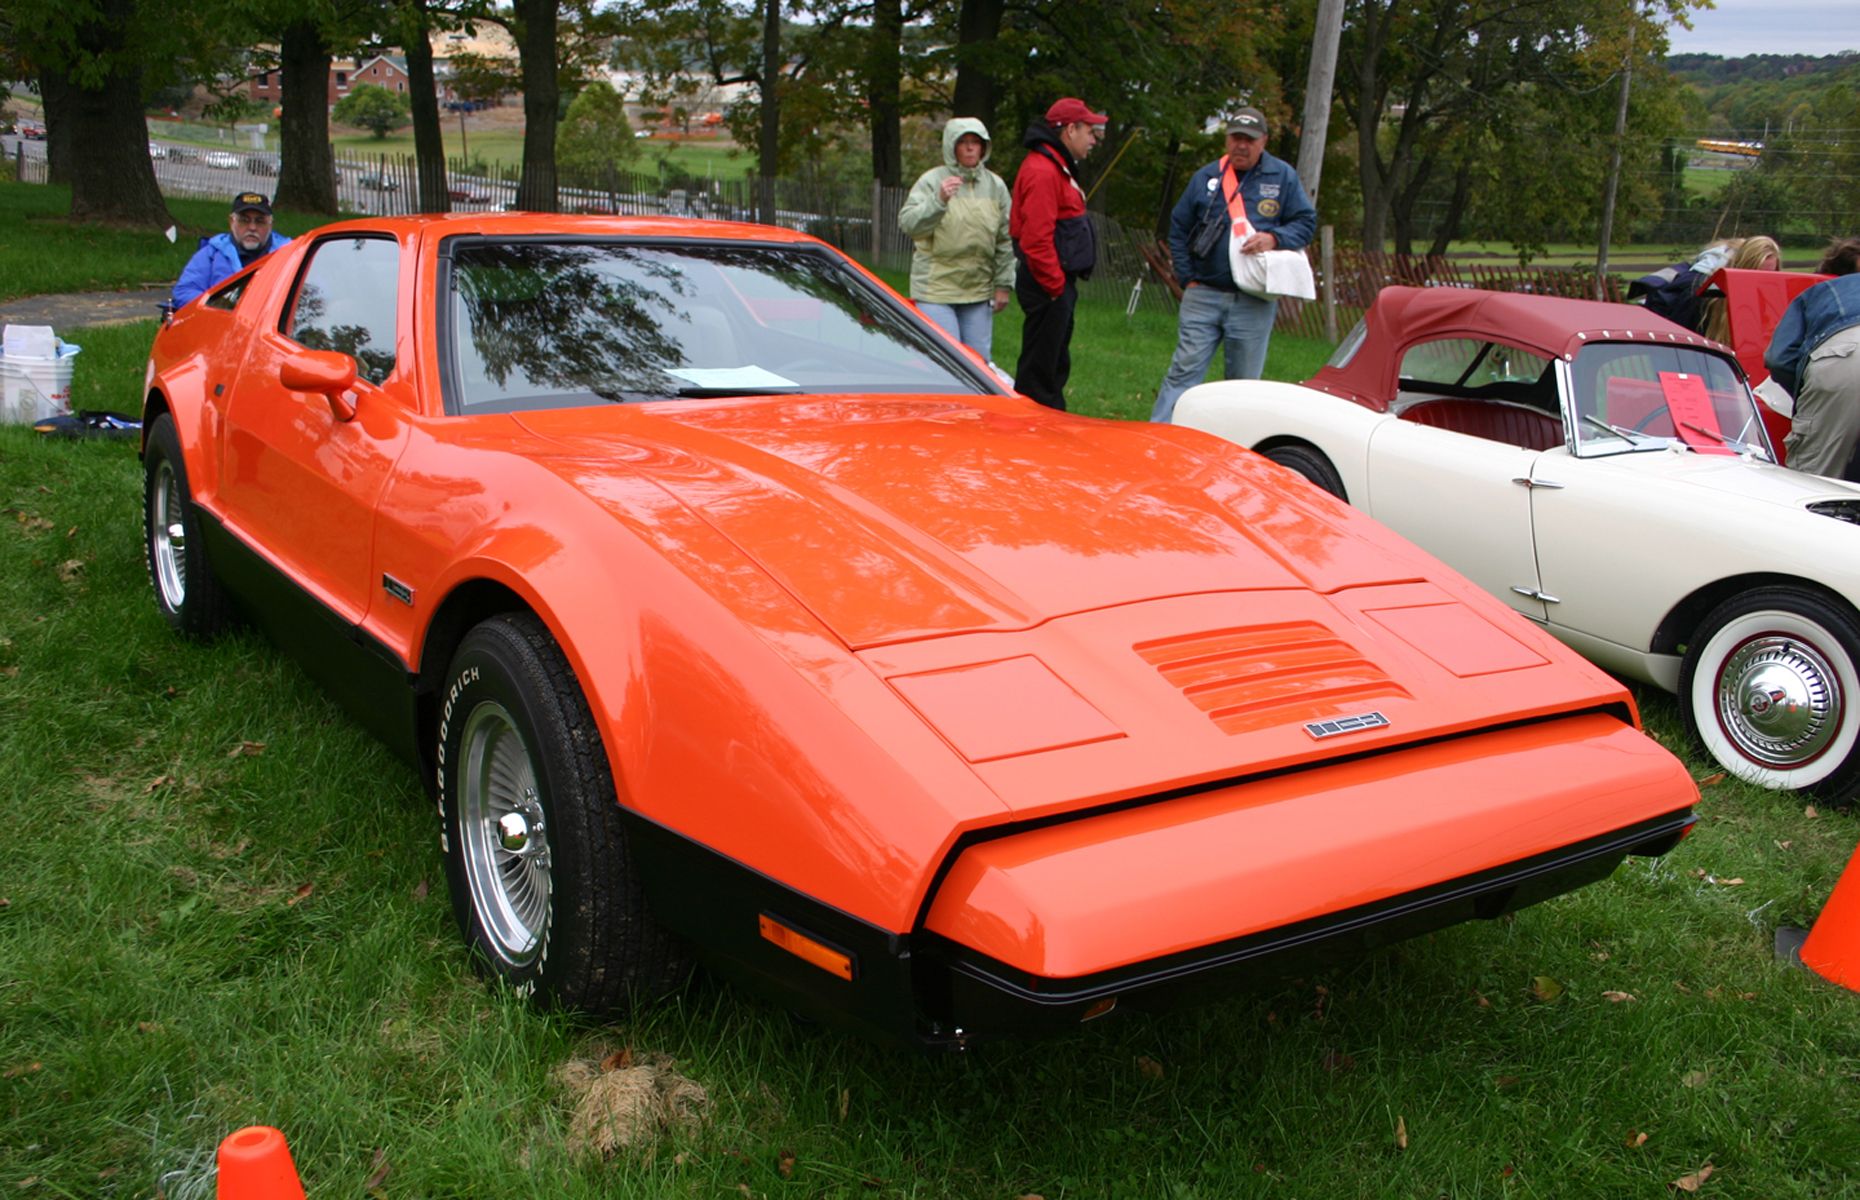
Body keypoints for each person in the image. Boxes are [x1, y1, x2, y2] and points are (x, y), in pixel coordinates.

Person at [1149, 108, 1316, 424]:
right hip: (1203, 293)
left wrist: (1274, 238)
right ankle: (1160, 439)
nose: (1241, 145)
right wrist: (1187, 278)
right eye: (1236, 138)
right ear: (1227, 139)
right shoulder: (1206, 177)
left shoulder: (1282, 177)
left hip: (1253, 300)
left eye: (1249, 140)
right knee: (1183, 372)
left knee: (1242, 386)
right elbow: (1179, 226)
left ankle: (1232, 450)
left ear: (1263, 141)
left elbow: (1306, 223)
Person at [1009, 97, 1107, 410]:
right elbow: (1036, 238)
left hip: (1056, 281)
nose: (1093, 140)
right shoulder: (1043, 170)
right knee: (1040, 369)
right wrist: (1055, 288)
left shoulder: (1055, 166)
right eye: (1089, 132)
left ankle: (1047, 420)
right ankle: (1035, 426)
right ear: (1070, 130)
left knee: (1052, 362)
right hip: (1047, 283)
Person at [897, 118, 1014, 364]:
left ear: (984, 148)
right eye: (963, 143)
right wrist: (938, 201)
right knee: (945, 362)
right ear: (952, 147)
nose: (970, 148)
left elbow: (1005, 239)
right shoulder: (931, 181)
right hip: (936, 289)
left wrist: (1004, 284)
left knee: (978, 364)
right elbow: (909, 224)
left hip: (977, 290)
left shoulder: (996, 186)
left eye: (975, 143)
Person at [1765, 238, 1860, 478]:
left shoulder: (1822, 290)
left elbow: (1779, 358)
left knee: (1813, 480)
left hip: (1845, 360)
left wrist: (1807, 396)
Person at [172, 192, 291, 308]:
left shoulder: (289, 255)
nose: (252, 227)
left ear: (270, 225)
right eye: (244, 220)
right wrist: (219, 306)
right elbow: (184, 292)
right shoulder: (211, 254)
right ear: (231, 222)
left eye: (260, 221)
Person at [1698, 234, 1781, 345]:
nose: (1761, 282)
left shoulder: (1772, 301)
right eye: (1756, 273)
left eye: (1769, 275)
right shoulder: (1713, 296)